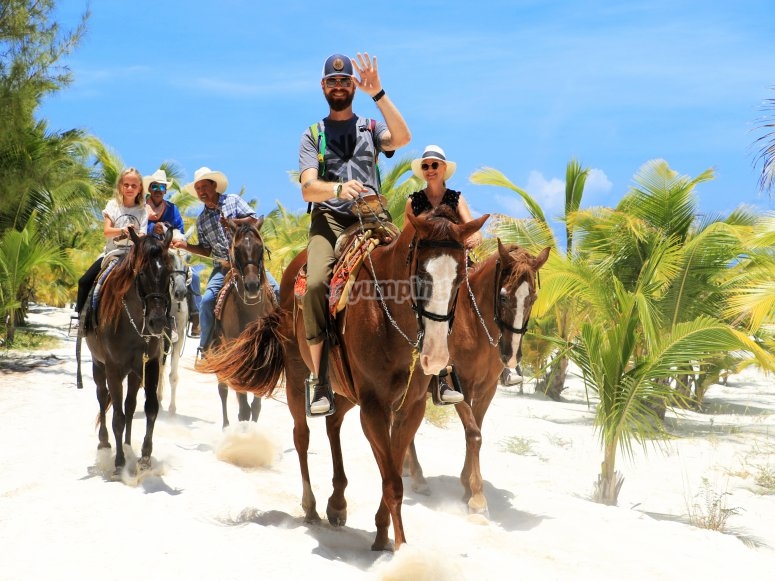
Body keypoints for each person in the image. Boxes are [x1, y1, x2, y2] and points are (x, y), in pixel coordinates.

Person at [298, 52, 411, 415]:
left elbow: (403, 138)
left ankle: (442, 370)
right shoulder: (313, 135)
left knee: (420, 269)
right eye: (332, 81)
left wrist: (378, 93)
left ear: (352, 86)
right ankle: (319, 380)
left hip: (374, 218)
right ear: (323, 86)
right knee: (316, 284)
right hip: (330, 221)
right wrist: (337, 189)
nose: (338, 86)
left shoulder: (370, 128)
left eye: (345, 81)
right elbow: (308, 189)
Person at [170, 166, 278, 357]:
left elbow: (254, 219)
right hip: (223, 268)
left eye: (204, 187)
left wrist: (234, 222)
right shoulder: (202, 220)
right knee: (207, 301)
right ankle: (205, 347)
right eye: (198, 189)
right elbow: (206, 250)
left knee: (276, 290)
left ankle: (284, 338)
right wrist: (186, 246)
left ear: (214, 186)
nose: (202, 192)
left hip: (248, 263)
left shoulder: (233, 200)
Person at [405, 145, 483, 403]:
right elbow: (406, 237)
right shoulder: (413, 201)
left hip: (452, 265)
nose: (430, 170)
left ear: (444, 169)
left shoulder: (455, 199)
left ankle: (500, 359)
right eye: (425, 166)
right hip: (425, 268)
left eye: (434, 165)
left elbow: (473, 230)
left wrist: (475, 238)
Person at [74, 167, 148, 315]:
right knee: (84, 281)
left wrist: (135, 235)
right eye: (126, 185)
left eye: (134, 186)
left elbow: (143, 235)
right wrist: (123, 230)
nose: (129, 188)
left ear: (140, 188)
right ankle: (81, 317)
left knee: (154, 283)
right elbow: (107, 231)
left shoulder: (142, 210)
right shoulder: (113, 205)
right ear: (120, 186)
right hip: (111, 253)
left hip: (133, 256)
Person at [144, 168, 201, 336]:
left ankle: (195, 315)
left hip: (170, 251)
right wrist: (152, 228)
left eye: (162, 187)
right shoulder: (141, 207)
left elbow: (180, 230)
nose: (158, 190)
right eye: (155, 186)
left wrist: (169, 233)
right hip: (149, 251)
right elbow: (138, 227)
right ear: (150, 188)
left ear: (165, 190)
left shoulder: (172, 209)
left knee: (193, 276)